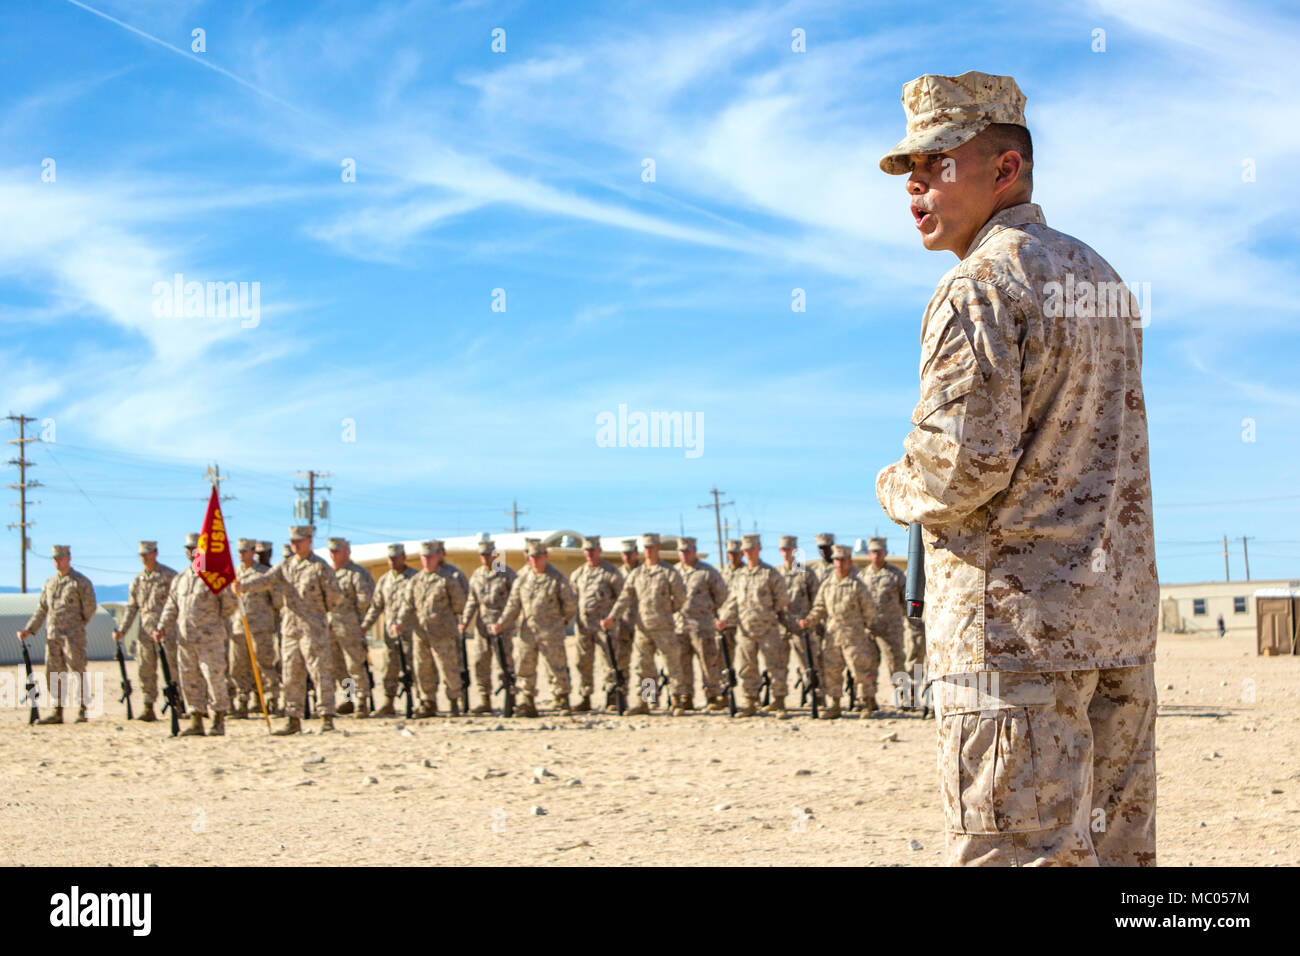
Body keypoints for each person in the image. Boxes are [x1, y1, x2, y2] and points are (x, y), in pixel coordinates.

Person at [875, 71, 1157, 866]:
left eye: (938, 164)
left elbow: (960, 468)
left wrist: (892, 487)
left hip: (1013, 643)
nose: (918, 188)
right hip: (1115, 634)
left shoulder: (979, 286)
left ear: (1007, 170)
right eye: (909, 174)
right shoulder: (1099, 277)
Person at [235, 526, 343, 735]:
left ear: (309, 541)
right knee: (291, 673)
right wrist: (243, 586)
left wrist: (318, 613)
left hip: (314, 629)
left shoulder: (319, 567)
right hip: (291, 629)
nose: (295, 545)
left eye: (299, 541)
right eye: (292, 542)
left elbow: (335, 596)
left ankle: (328, 715)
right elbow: (266, 580)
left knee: (322, 672)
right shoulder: (285, 566)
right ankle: (293, 717)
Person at [601, 534, 687, 716]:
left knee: (672, 666)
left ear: (658, 549)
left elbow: (680, 598)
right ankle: (646, 702)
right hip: (643, 629)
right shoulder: (637, 574)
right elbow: (625, 598)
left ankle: (677, 701)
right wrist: (612, 617)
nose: (648, 551)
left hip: (664, 628)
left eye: (652, 547)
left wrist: (666, 611)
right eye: (646, 548)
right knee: (644, 667)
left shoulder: (669, 572)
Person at [494, 539, 577, 717]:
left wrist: (562, 621)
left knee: (557, 667)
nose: (534, 560)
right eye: (531, 557)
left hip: (551, 631)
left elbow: (570, 604)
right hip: (527, 632)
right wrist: (502, 622)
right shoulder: (522, 577)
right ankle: (527, 701)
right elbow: (513, 604)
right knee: (525, 667)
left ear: (545, 556)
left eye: (538, 557)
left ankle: (562, 699)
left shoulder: (556, 577)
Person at [156, 557, 238, 736]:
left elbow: (230, 604)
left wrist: (212, 621)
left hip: (209, 639)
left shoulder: (214, 576)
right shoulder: (181, 579)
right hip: (185, 639)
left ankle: (218, 720)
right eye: (189, 549)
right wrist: (161, 627)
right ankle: (196, 719)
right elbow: (172, 606)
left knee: (214, 678)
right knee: (189, 679)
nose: (193, 553)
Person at [715, 534, 794, 717]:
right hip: (745, 629)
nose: (748, 553)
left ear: (759, 549)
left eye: (752, 549)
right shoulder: (740, 576)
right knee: (746, 667)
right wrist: (724, 618)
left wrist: (767, 613)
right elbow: (733, 601)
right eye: (745, 550)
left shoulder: (770, 573)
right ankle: (750, 702)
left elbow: (782, 598)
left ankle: (779, 702)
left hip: (768, 629)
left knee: (775, 665)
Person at [18, 545, 98, 724]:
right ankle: (57, 711)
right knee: (54, 672)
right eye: (55, 559)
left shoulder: (80, 582)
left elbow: (90, 607)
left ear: (69, 558)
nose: (58, 561)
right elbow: (42, 608)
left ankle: (82, 710)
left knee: (77, 670)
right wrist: (29, 629)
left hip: (73, 636)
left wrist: (78, 625)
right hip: (53, 635)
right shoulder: (50, 583)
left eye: (61, 558)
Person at [801, 545, 880, 718]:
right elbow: (819, 607)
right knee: (832, 670)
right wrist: (809, 620)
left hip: (854, 636)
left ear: (849, 561)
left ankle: (866, 703)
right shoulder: (828, 584)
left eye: (843, 560)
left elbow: (869, 610)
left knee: (860, 670)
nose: (839, 563)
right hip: (832, 635)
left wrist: (865, 629)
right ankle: (835, 705)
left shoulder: (857, 585)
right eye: (837, 560)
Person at [400, 540, 468, 717]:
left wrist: (452, 622)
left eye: (430, 556)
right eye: (423, 557)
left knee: (448, 668)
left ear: (439, 556)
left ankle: (454, 702)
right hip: (421, 634)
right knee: (423, 669)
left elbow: (459, 604)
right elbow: (407, 605)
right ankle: (428, 702)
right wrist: (399, 622)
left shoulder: (448, 578)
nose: (426, 560)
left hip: (443, 633)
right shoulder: (415, 580)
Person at [115, 540, 177, 723]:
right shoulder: (138, 581)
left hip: (166, 631)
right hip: (145, 632)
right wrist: (122, 630)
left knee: (171, 668)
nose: (144, 557)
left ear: (155, 553)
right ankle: (148, 706)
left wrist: (165, 627)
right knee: (145, 669)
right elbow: (132, 608)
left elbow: (176, 605)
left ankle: (177, 702)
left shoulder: (169, 576)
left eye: (147, 553)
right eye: (141, 554)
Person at [360, 543, 419, 716]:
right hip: (390, 635)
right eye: (390, 559)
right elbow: (376, 606)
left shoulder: (414, 578)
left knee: (416, 668)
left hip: (411, 634)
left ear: (403, 557)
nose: (392, 562)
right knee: (389, 668)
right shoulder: (385, 580)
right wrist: (365, 625)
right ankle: (388, 701)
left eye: (395, 558)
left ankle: (422, 701)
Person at [460, 537, 516, 714]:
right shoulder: (477, 575)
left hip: (502, 628)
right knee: (480, 663)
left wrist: (503, 622)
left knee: (505, 663)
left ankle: (511, 697)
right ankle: (485, 699)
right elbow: (472, 601)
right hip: (482, 627)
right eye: (482, 555)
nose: (485, 558)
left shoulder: (505, 572)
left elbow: (514, 601)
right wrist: (464, 622)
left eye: (488, 555)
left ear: (495, 555)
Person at [568, 535, 624, 712]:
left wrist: (613, 618)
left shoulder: (611, 573)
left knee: (609, 663)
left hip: (605, 628)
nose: (589, 553)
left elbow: (622, 599)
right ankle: (585, 697)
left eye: (593, 550)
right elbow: (571, 599)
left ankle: (612, 697)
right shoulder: (577, 574)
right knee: (583, 662)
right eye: (587, 550)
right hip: (583, 627)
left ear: (599, 550)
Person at [227, 539, 282, 718]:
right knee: (239, 666)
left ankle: (271, 699)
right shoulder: (233, 574)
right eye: (239, 551)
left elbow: (277, 601)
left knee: (264, 664)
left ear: (253, 552)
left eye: (245, 551)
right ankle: (243, 701)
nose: (242, 554)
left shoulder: (265, 574)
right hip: (238, 627)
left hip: (260, 627)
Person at [674, 536, 729, 711]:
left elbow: (721, 595)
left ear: (695, 551)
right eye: (681, 551)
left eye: (688, 551)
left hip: (702, 626)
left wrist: (707, 611)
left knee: (708, 662)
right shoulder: (674, 572)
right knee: (682, 664)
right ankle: (686, 697)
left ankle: (713, 695)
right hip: (679, 625)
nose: (684, 554)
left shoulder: (707, 572)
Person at [328, 537, 375, 716]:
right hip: (330, 627)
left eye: (337, 551)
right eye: (331, 551)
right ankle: (348, 698)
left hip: (350, 627)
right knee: (337, 666)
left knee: (354, 665)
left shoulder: (356, 573)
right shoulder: (329, 573)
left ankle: (362, 701)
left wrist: (354, 618)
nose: (333, 554)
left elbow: (365, 599)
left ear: (347, 552)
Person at [859, 537, 909, 707]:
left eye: (879, 552)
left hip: (891, 629)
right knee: (868, 665)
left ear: (885, 553)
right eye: (873, 552)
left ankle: (903, 699)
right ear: (868, 554)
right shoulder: (862, 576)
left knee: (896, 663)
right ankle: (869, 700)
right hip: (868, 629)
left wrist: (897, 618)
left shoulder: (895, 574)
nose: (876, 555)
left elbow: (905, 602)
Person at [777, 535, 822, 705]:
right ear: (780, 551)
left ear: (795, 551)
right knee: (779, 665)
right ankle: (779, 700)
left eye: (789, 549)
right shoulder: (777, 573)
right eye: (783, 549)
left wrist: (810, 620)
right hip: (782, 626)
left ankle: (816, 699)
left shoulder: (806, 573)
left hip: (801, 627)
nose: (786, 552)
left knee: (809, 665)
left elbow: (817, 600)